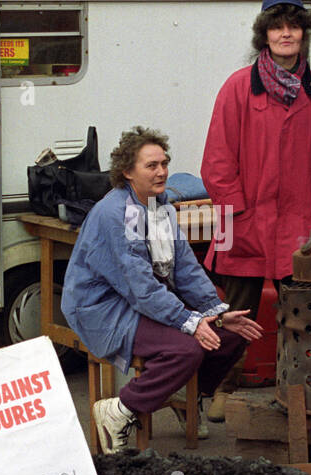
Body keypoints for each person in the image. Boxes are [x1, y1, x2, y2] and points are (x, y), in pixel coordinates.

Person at [60, 126, 262, 454]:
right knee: (187, 349)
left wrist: (217, 313)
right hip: (104, 309)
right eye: (151, 166)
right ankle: (119, 410)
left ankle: (185, 393)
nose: (162, 171)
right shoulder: (118, 214)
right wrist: (190, 322)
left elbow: (185, 269)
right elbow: (140, 289)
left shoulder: (160, 206)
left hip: (141, 300)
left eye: (164, 163)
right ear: (127, 172)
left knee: (233, 336)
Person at [200, 0, 311, 419]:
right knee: (233, 313)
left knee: (302, 317)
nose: (286, 33)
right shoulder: (237, 85)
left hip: (299, 228)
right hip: (244, 222)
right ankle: (220, 388)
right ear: (264, 35)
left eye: (294, 26)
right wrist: (237, 211)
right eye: (277, 26)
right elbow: (217, 160)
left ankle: (295, 391)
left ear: (304, 33)